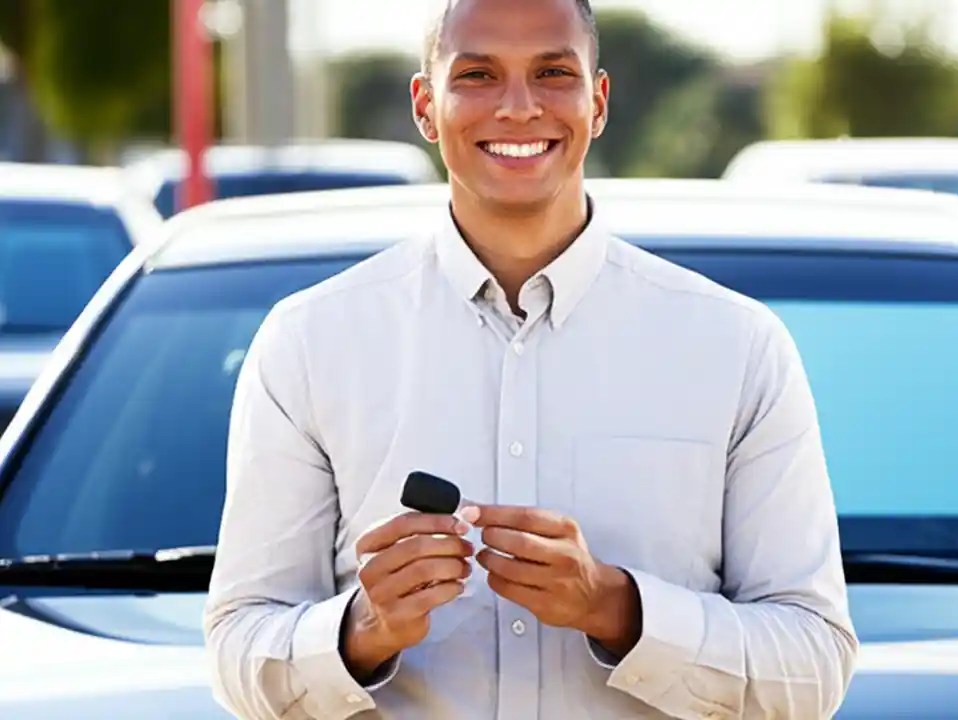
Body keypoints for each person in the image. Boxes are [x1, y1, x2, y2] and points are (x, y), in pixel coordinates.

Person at [202, 0, 857, 716]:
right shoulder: (309, 343)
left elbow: (814, 666)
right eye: (478, 74)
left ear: (597, 101)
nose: (518, 108)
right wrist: (361, 631)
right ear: (426, 105)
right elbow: (239, 649)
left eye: (552, 72)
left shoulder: (737, 347)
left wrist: (619, 609)